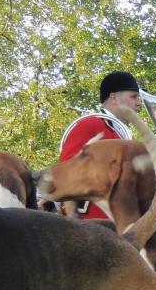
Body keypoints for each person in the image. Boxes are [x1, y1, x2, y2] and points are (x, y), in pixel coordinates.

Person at [58, 70, 142, 219]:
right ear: (114, 98)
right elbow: (68, 169)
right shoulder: (89, 124)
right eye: (133, 96)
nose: (138, 103)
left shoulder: (126, 136)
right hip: (91, 219)